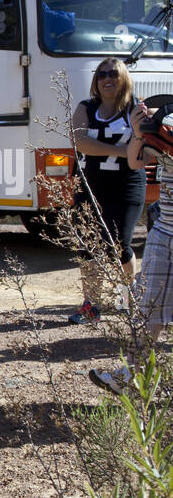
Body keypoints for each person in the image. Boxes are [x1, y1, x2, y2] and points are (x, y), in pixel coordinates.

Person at [88, 112, 173, 393]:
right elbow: (137, 161)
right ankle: (130, 378)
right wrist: (140, 131)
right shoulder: (168, 122)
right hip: (164, 231)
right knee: (148, 309)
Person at [69, 58, 146, 324]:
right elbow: (81, 143)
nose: (106, 79)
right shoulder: (85, 108)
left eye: (113, 73)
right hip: (89, 185)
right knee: (88, 244)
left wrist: (130, 152)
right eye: (101, 74)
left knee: (119, 242)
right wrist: (122, 151)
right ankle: (91, 306)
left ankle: (126, 298)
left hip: (127, 186)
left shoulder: (136, 109)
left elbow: (146, 147)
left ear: (124, 78)